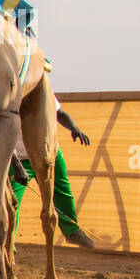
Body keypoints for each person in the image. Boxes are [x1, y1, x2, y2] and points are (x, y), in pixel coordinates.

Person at [10, 96, 95, 249]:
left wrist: (74, 128)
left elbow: (59, 113)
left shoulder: (42, 89)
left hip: (48, 151)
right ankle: (9, 242)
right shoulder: (5, 93)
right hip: (19, 157)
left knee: (62, 191)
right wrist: (13, 161)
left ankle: (72, 231)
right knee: (11, 200)